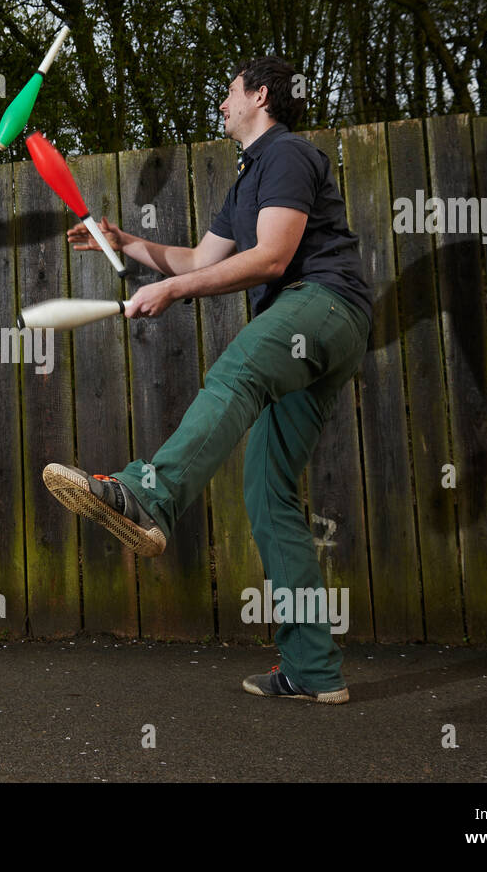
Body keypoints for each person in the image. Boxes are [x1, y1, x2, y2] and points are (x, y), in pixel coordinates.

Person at [43, 57, 372, 704]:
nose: (221, 105)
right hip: (309, 327)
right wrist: (122, 239)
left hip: (323, 306)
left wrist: (173, 290)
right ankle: (313, 669)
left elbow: (273, 257)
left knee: (241, 365)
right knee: (269, 492)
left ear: (259, 94)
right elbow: (197, 257)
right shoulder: (246, 180)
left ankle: (149, 494)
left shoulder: (288, 154)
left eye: (228, 92)